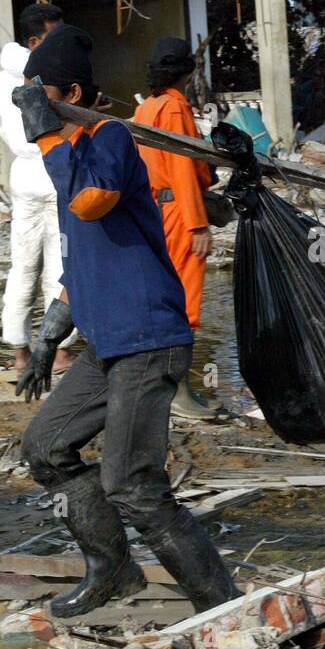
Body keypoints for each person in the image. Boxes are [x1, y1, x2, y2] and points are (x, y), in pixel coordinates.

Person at [11, 22, 238, 618]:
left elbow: (92, 202)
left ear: (74, 97)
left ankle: (222, 606)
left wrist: (47, 139)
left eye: (43, 93)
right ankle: (111, 569)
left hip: (148, 339)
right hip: (108, 342)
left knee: (134, 485)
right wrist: (47, 337)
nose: (32, 106)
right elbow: (80, 260)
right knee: (45, 447)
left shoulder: (109, 138)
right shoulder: (73, 154)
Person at [131, 37, 216, 419]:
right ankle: (179, 394)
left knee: (163, 299)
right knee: (187, 303)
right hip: (180, 212)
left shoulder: (147, 107)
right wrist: (199, 223)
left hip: (156, 210)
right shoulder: (176, 107)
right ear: (188, 71)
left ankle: (160, 388)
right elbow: (183, 167)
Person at [0, 4, 76, 372]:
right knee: (60, 266)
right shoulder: (46, 75)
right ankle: (58, 350)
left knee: (22, 266)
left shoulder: (0, 80)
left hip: (22, 176)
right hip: (52, 169)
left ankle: (20, 352)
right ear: (33, 40)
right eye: (52, 36)